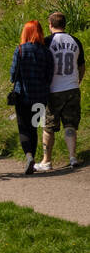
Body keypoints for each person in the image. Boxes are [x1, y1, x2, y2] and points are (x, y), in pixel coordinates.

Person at [37, 11, 84, 171]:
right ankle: (72, 157)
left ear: (50, 25)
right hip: (72, 88)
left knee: (48, 127)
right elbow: (81, 66)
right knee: (70, 125)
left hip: (53, 90)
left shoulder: (47, 42)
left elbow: (41, 66)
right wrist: (78, 81)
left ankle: (46, 160)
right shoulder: (75, 41)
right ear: (64, 24)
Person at [10, 20, 54, 174]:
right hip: (40, 96)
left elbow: (12, 74)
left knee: (24, 128)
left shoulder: (20, 50)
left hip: (22, 95)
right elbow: (50, 76)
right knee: (34, 128)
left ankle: (29, 156)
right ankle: (33, 158)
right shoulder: (46, 52)